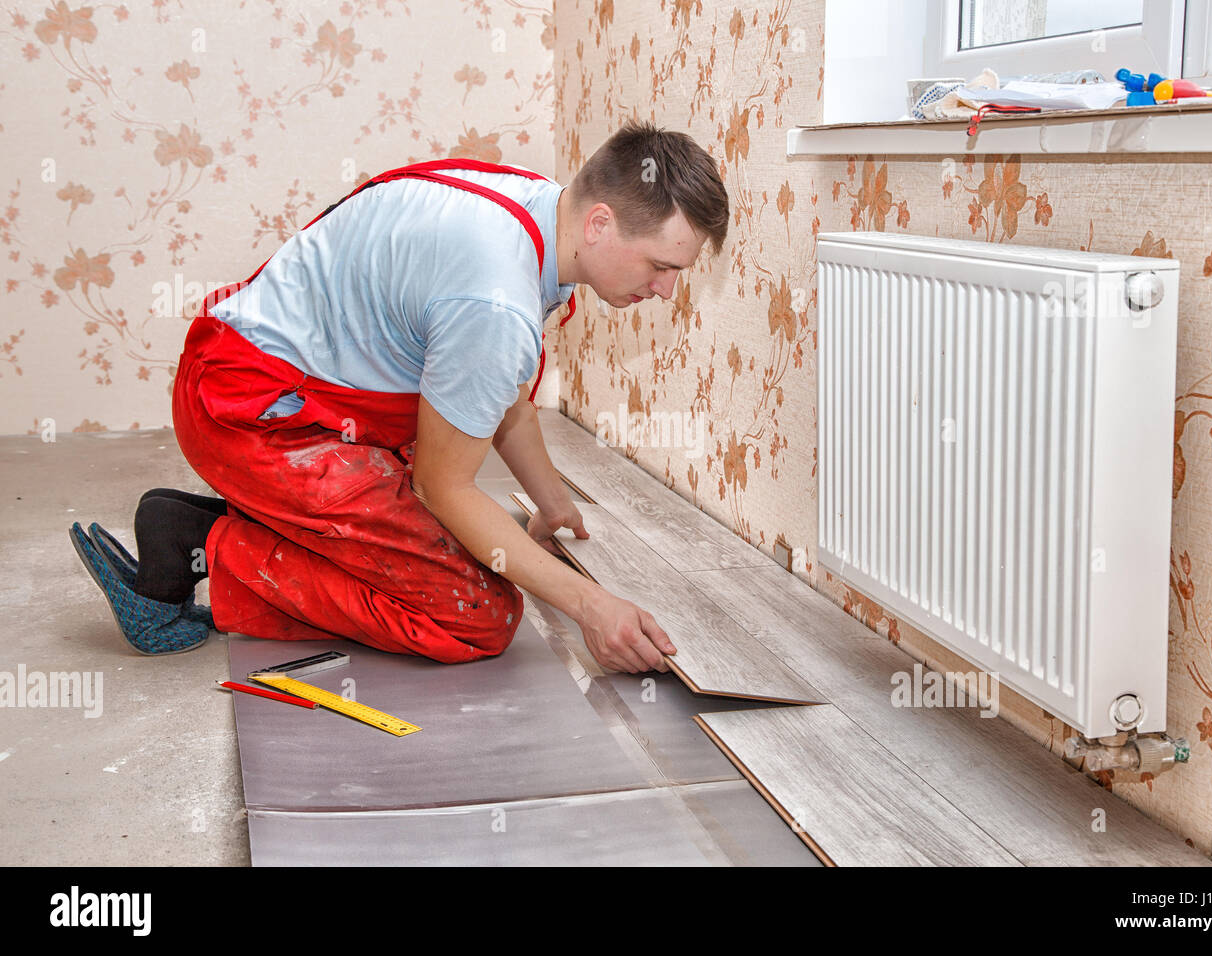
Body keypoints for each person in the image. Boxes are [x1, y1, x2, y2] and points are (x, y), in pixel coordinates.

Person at [68, 120, 729, 674]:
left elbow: (502, 396)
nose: (666, 291)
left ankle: (231, 523)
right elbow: (445, 487)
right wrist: (592, 607)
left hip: (265, 382)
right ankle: (202, 544)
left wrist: (552, 503)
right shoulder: (494, 298)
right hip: (254, 419)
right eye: (662, 267)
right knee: (477, 613)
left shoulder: (538, 205)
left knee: (477, 546)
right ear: (601, 224)